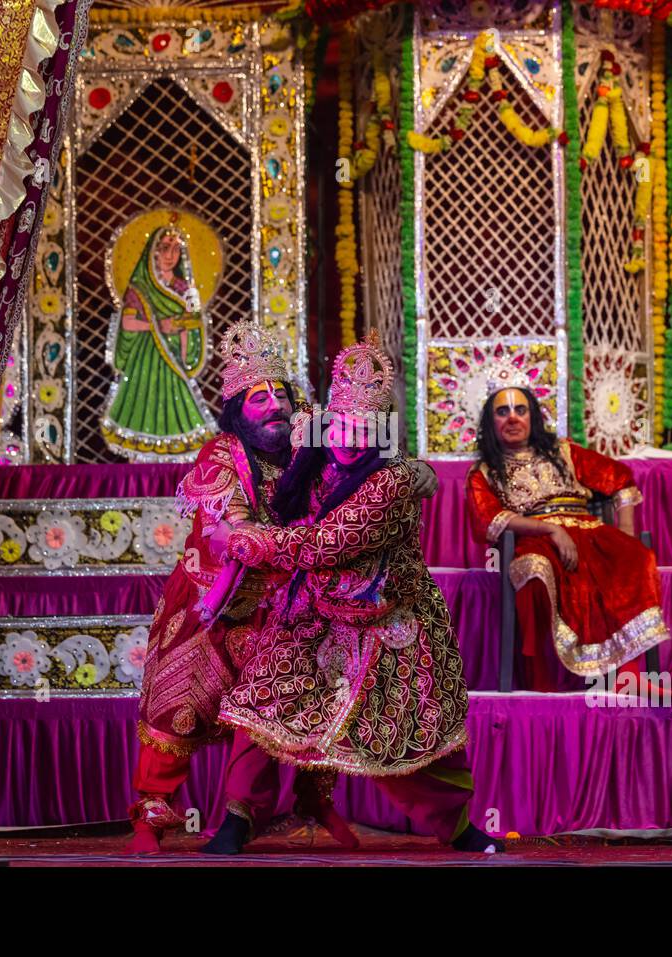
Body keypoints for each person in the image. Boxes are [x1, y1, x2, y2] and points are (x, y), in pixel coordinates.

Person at [129, 322, 440, 853]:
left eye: (281, 394)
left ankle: (274, 810)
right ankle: (148, 820)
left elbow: (369, 452)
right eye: (258, 398)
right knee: (181, 710)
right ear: (235, 412)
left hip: (289, 603)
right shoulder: (222, 457)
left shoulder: (306, 438)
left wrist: (415, 474)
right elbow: (234, 533)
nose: (274, 404)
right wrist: (292, 543)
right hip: (217, 604)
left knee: (286, 708)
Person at [213, 333, 501, 855]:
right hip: (314, 611)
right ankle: (234, 823)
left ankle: (458, 829)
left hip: (384, 619)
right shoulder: (316, 457)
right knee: (260, 703)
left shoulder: (389, 482)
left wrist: (251, 541)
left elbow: (330, 543)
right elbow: (266, 445)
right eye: (340, 423)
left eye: (363, 427)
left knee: (401, 735)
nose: (348, 436)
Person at [466, 386, 668, 691]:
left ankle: (629, 676)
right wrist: (551, 530)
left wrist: (625, 534)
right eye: (502, 411)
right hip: (535, 538)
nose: (512, 418)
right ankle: (545, 683)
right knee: (534, 569)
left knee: (634, 556)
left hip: (590, 531)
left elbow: (621, 480)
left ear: (532, 416)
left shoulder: (565, 452)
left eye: (520, 410)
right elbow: (488, 520)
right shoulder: (483, 472)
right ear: (490, 422)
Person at [103, 219, 214, 455]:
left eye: (176, 249)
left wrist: (185, 351)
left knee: (179, 414)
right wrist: (157, 326)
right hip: (144, 360)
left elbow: (191, 325)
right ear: (153, 253)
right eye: (165, 248)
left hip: (174, 362)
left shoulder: (184, 289)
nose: (170, 255)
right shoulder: (140, 288)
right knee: (141, 408)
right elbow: (128, 322)